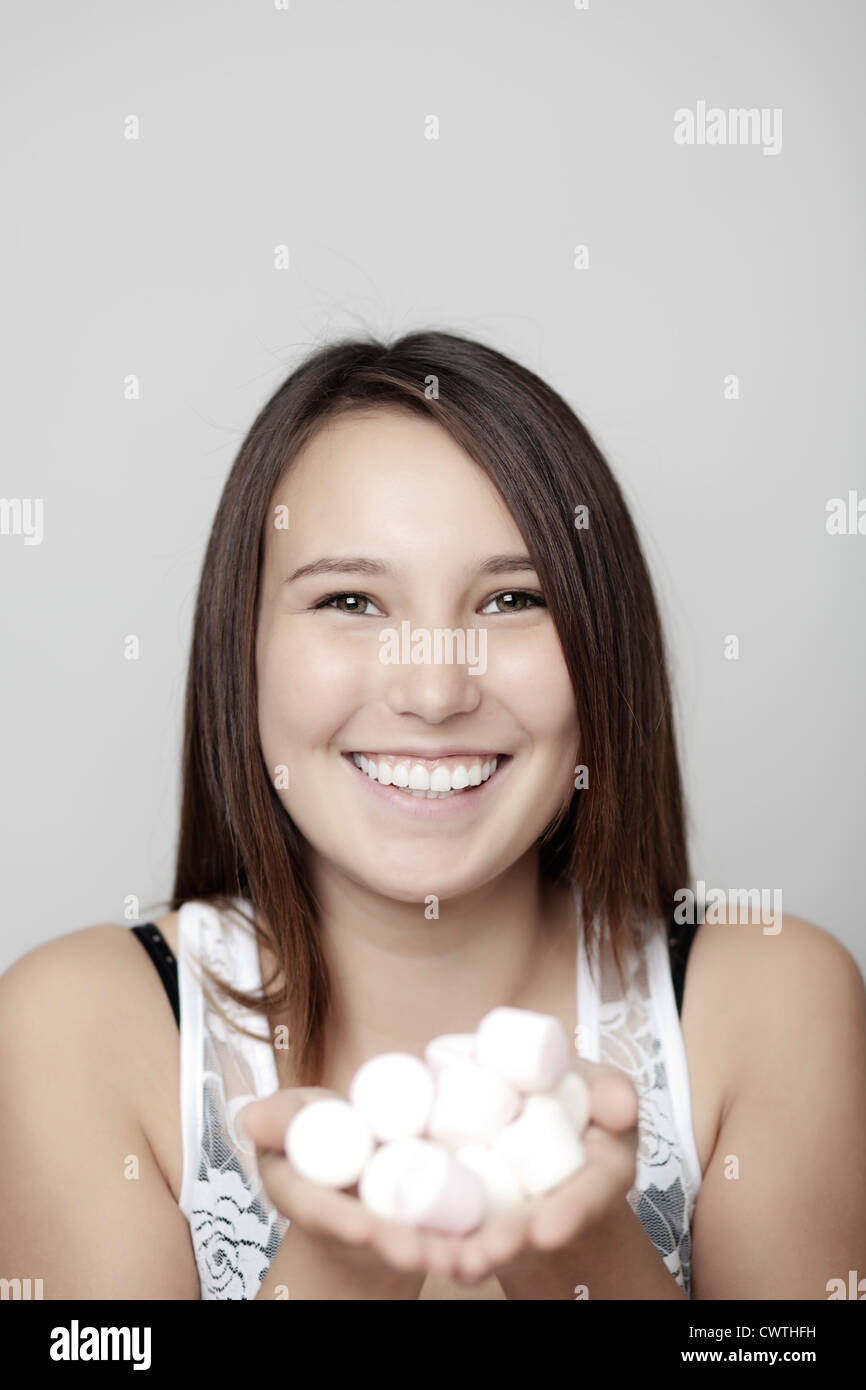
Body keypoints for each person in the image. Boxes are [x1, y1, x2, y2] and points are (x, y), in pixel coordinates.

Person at [2, 331, 864, 1301]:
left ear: (601, 647)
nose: (434, 688)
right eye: (351, 600)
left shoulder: (768, 1001)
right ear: (241, 652)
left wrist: (577, 1257)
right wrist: (341, 1267)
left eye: (510, 597)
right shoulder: (78, 1027)